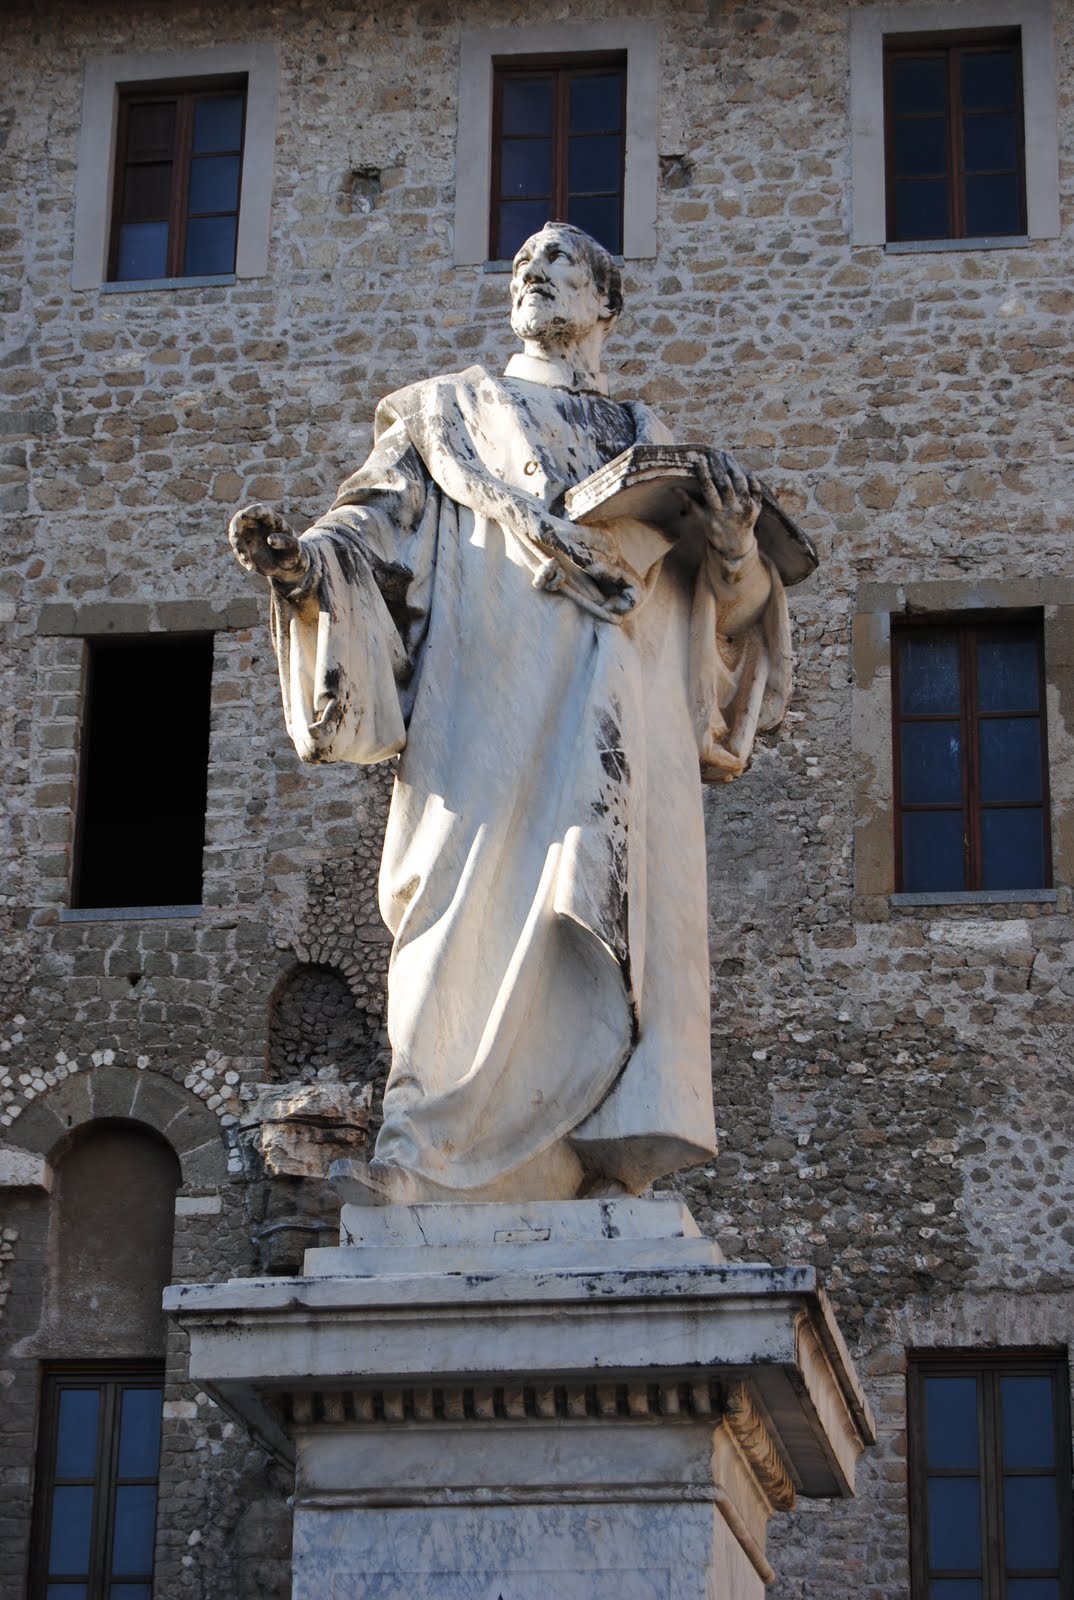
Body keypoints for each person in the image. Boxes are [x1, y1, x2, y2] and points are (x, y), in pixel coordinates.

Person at [229, 222, 792, 1204]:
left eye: (562, 266)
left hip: (619, 726)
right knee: (457, 916)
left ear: (606, 305)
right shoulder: (450, 417)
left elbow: (721, 636)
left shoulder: (651, 440)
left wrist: (736, 544)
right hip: (483, 713)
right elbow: (368, 527)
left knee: (608, 915)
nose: (534, 276)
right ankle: (423, 1148)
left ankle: (587, 1163)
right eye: (525, 266)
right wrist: (305, 566)